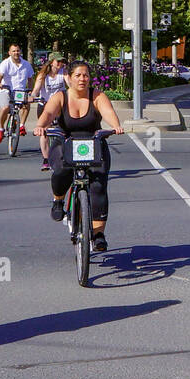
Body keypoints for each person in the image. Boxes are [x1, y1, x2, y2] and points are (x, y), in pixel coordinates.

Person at [34, 61, 124, 252]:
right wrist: (41, 125)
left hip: (93, 142)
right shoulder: (60, 97)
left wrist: (115, 125)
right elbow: (49, 113)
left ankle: (98, 234)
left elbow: (108, 112)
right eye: (78, 75)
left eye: (86, 75)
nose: (83, 79)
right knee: (61, 171)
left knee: (98, 185)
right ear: (70, 78)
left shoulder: (97, 96)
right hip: (65, 141)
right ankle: (58, 200)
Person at [29, 51, 68, 171]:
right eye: (58, 61)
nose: (60, 64)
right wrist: (32, 96)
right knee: (44, 130)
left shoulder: (64, 72)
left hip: (59, 105)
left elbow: (70, 85)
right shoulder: (43, 75)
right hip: (45, 104)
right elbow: (36, 89)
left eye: (62, 61)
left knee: (66, 129)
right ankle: (46, 159)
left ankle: (65, 155)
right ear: (52, 63)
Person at [0, 43, 35, 145]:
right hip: (6, 90)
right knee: (5, 108)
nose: (16, 53)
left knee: (26, 105)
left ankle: (21, 125)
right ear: (9, 53)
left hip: (20, 91)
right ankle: (1, 128)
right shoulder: (5, 63)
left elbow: (30, 79)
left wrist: (30, 90)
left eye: (17, 51)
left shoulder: (26, 64)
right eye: (13, 51)